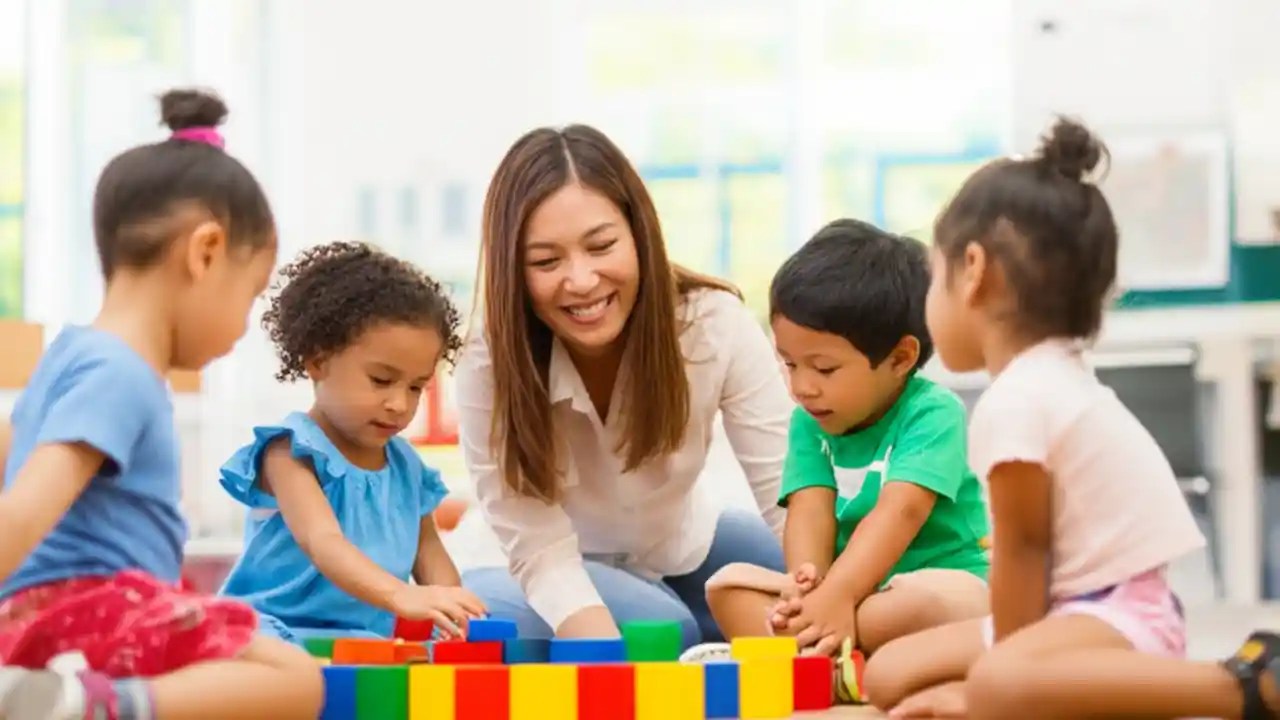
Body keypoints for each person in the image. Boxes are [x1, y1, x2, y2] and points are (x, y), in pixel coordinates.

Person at [864, 117, 1280, 720]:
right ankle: (1025, 687)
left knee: (996, 685)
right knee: (887, 674)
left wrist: (990, 692)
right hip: (1073, 613)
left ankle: (1244, 683)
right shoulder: (1044, 378)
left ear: (973, 271)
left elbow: (1023, 553)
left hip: (1119, 616)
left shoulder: (1019, 400)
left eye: (935, 277)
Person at [0, 90, 321, 719]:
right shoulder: (122, 372)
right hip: (90, 612)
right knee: (292, 676)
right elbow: (23, 511)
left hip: (51, 614)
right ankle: (100, 705)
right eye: (251, 294)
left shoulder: (71, 353)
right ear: (205, 253)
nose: (243, 323)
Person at [455, 124, 791, 648]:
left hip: (672, 547)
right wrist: (603, 649)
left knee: (785, 581)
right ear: (512, 271)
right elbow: (539, 549)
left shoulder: (712, 323)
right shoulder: (490, 357)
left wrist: (826, 597)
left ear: (639, 234)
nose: (582, 280)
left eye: (602, 245)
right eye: (546, 261)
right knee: (663, 628)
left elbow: (788, 491)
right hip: (534, 564)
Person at [690, 220, 990, 704]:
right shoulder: (810, 422)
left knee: (932, 600)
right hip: (849, 595)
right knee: (727, 587)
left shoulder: (934, 414)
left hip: (930, 590)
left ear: (900, 358)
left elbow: (901, 511)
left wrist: (841, 595)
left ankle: (828, 663)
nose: (802, 386)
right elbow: (808, 508)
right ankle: (838, 665)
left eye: (824, 369)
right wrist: (808, 584)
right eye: (788, 363)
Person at [217, 241, 486, 644]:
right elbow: (322, 542)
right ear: (318, 360)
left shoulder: (406, 467)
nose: (399, 404)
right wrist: (402, 595)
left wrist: (453, 609)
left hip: (364, 640)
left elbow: (429, 555)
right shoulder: (289, 453)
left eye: (416, 387)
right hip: (275, 631)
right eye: (381, 380)